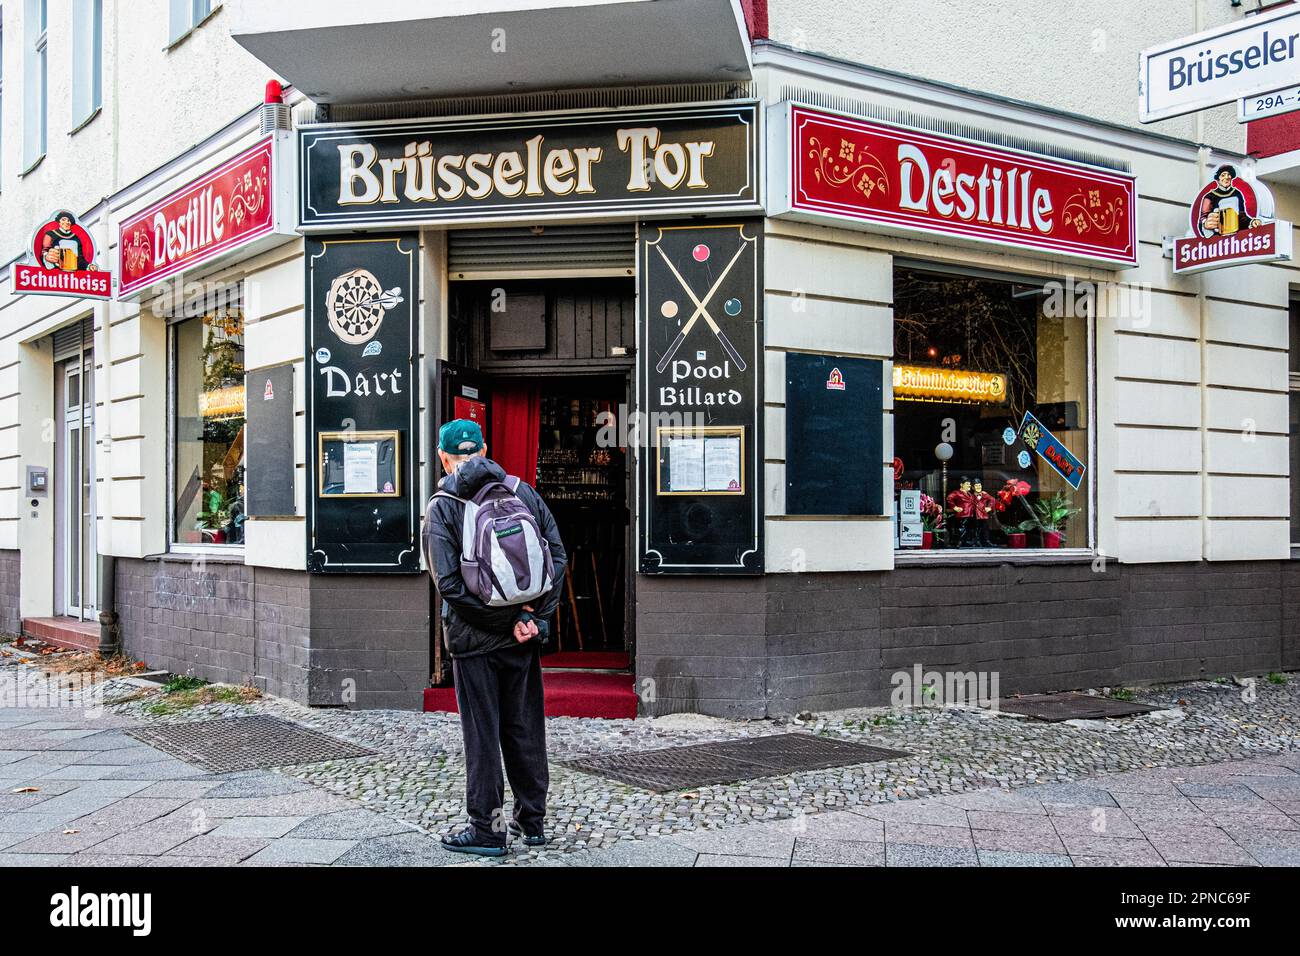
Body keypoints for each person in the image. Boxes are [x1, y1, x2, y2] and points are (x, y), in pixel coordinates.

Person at [422, 418, 566, 857]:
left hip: (472, 640)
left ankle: (487, 830)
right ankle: (532, 821)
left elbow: (449, 585)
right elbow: (557, 557)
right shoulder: (521, 491)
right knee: (524, 726)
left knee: (482, 734)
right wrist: (534, 620)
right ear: (484, 449)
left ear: (445, 457)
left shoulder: (442, 504)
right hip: (522, 637)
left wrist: (502, 623)